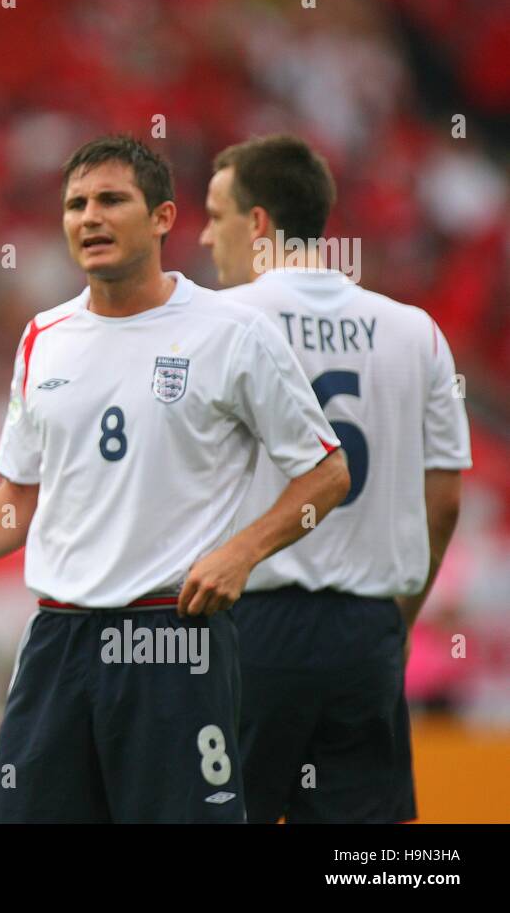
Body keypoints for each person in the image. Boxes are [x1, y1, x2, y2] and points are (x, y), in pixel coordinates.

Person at [0, 135, 350, 822]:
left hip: (172, 636)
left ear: (163, 217)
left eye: (110, 200)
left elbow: (327, 472)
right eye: (75, 204)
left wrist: (241, 552)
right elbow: (20, 496)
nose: (88, 217)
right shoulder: (45, 335)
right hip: (56, 642)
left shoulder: (233, 333)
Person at [201, 134, 472, 822]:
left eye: (215, 214)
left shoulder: (220, 323)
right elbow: (444, 501)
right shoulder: (416, 331)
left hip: (252, 625)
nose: (205, 237)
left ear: (257, 222)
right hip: (366, 632)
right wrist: (396, 618)